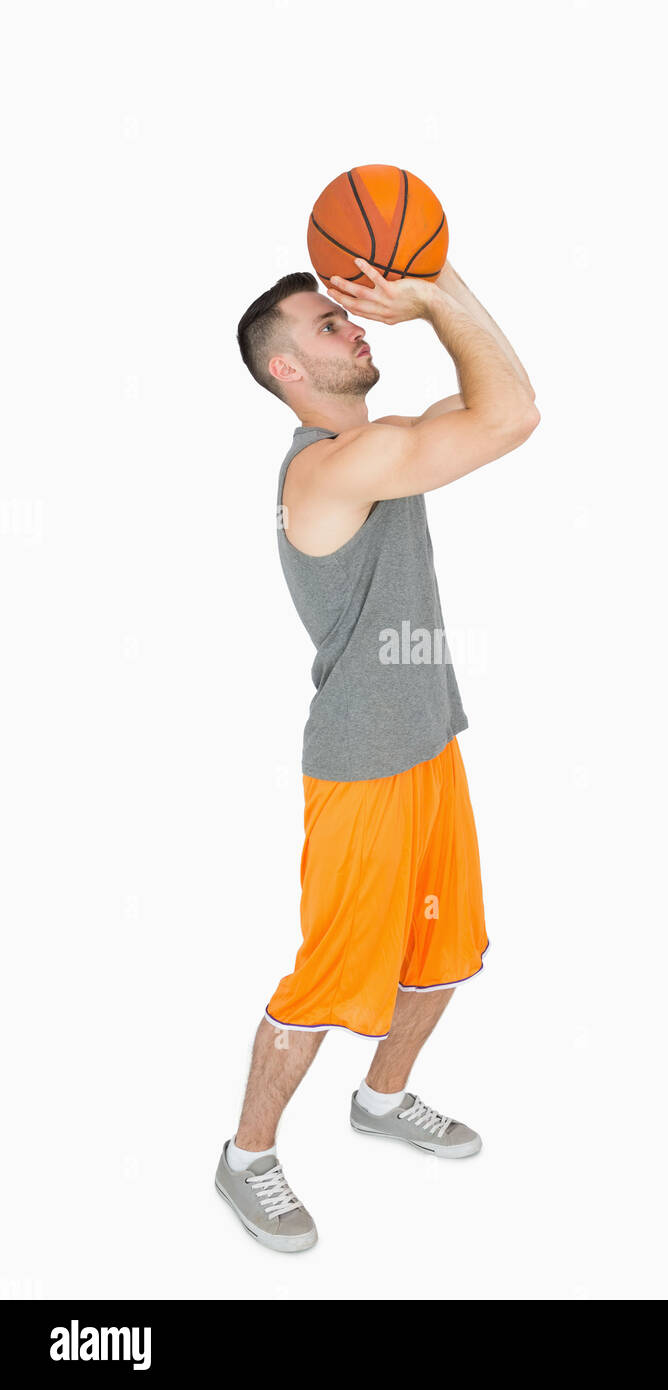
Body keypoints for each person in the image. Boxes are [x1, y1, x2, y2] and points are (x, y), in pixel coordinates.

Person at [215, 254, 540, 1251]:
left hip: (428, 741)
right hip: (360, 766)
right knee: (326, 981)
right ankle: (246, 1157)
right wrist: (435, 297)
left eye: (343, 316)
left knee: (443, 952)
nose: (353, 326)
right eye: (327, 325)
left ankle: (382, 1098)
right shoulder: (327, 468)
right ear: (286, 371)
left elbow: (496, 404)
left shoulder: (379, 447)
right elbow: (511, 417)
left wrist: (442, 292)